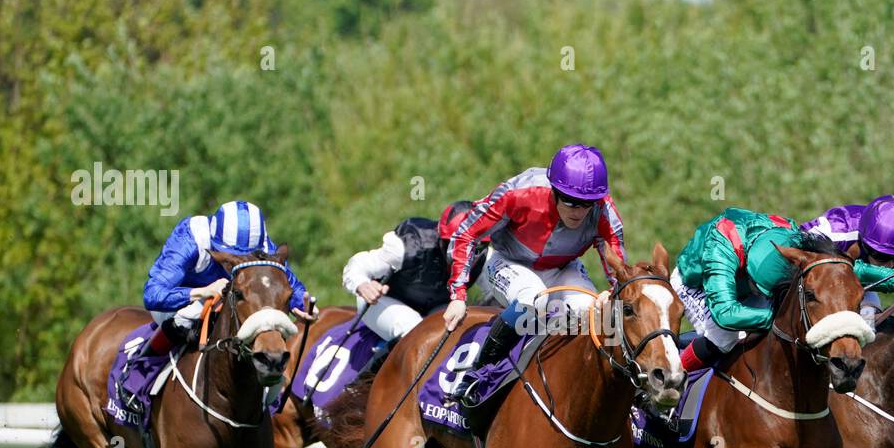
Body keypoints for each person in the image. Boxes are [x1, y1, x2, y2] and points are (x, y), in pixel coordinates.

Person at [441, 144, 625, 394]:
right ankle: (478, 373)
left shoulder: (603, 208)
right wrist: (458, 296)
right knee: (534, 299)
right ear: (554, 190)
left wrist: (613, 291)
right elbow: (466, 234)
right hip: (508, 261)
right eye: (570, 202)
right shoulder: (518, 193)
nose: (579, 212)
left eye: (587, 204)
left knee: (597, 314)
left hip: (563, 267)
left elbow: (618, 263)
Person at [671, 206, 894, 373]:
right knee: (726, 337)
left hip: (786, 275)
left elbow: (847, 270)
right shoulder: (723, 253)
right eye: (881, 258)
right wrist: (785, 323)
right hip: (697, 283)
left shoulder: (795, 240)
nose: (891, 264)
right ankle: (673, 377)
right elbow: (727, 313)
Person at [120, 200, 315, 405]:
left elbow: (287, 284)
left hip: (234, 303)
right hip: (180, 303)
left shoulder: (263, 245)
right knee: (190, 316)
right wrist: (201, 292)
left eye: (244, 258)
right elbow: (153, 294)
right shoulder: (190, 238)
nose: (236, 264)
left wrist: (303, 307)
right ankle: (137, 378)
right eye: (230, 257)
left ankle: (267, 398)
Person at [341, 201, 487, 356]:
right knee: (416, 329)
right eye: (459, 244)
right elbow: (358, 265)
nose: (466, 254)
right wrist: (362, 284)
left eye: (475, 246)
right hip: (382, 301)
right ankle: (371, 373)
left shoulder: (486, 259)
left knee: (459, 333)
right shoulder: (407, 245)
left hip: (434, 306)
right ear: (443, 240)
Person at [800, 194, 894, 326]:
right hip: (822, 285)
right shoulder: (834, 230)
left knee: (868, 323)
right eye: (882, 257)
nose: (890, 266)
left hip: (865, 288)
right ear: (863, 242)